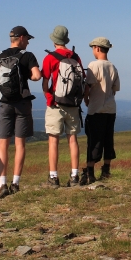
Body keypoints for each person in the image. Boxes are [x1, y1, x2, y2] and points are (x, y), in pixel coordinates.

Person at [0, 26, 42, 199]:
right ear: (21, 38)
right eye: (27, 39)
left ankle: (2, 183)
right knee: (20, 144)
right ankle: (15, 183)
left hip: (4, 102)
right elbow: (37, 76)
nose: (29, 42)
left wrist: (1, 78)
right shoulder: (28, 56)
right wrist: (26, 77)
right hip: (22, 103)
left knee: (3, 144)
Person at [41, 25, 85, 187]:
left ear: (54, 41)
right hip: (73, 104)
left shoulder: (50, 58)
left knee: (53, 140)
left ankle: (53, 177)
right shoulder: (75, 56)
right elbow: (82, 79)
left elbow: (45, 82)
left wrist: (48, 97)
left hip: (56, 104)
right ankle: (75, 176)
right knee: (72, 139)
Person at [80, 37, 120, 185]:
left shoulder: (93, 65)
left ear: (97, 48)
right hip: (111, 108)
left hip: (96, 108)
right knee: (108, 138)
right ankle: (106, 169)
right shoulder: (113, 67)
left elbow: (88, 86)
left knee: (94, 139)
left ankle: (90, 171)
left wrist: (86, 99)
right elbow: (115, 89)